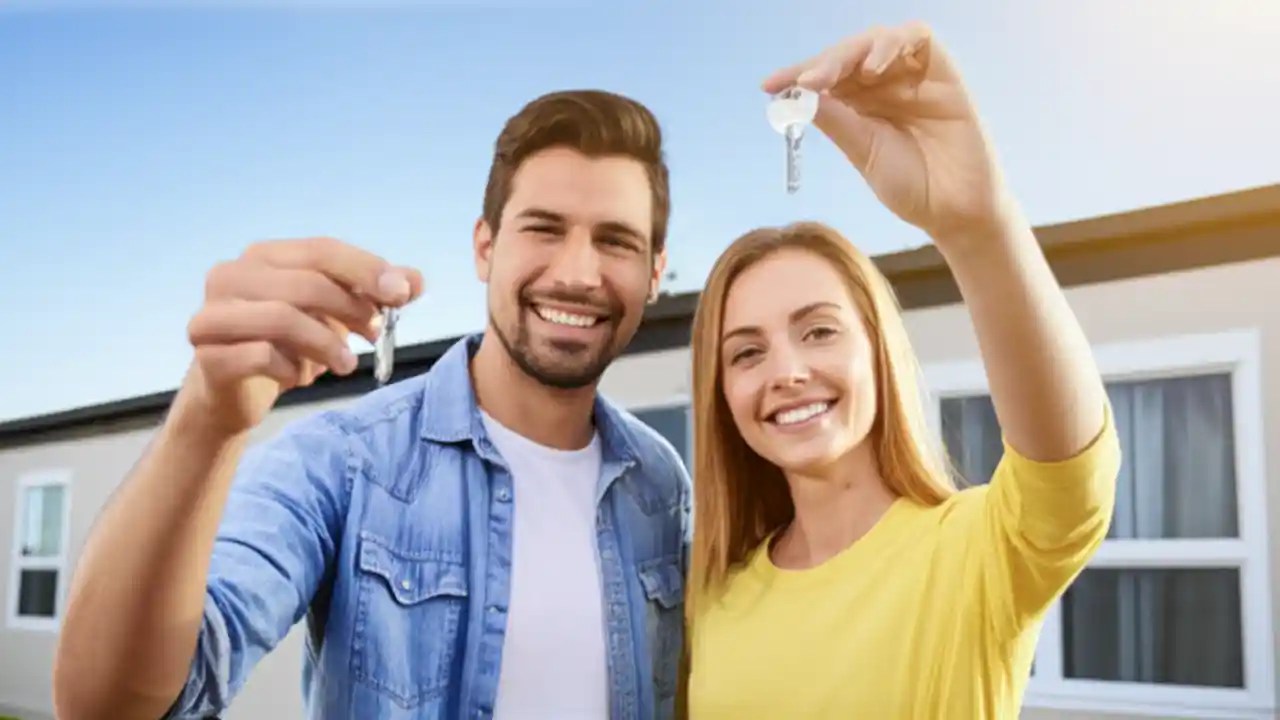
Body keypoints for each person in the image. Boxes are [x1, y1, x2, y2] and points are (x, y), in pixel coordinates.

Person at [52, 89, 692, 720]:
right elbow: (111, 706)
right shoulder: (343, 460)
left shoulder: (662, 483)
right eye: (543, 229)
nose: (578, 273)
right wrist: (205, 421)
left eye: (616, 241)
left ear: (655, 271)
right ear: (485, 246)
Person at [681, 22, 1122, 719]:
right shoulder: (712, 594)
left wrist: (977, 226)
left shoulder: (975, 555)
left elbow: (1073, 477)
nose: (787, 371)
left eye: (818, 330)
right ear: (721, 393)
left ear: (877, 352)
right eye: (746, 351)